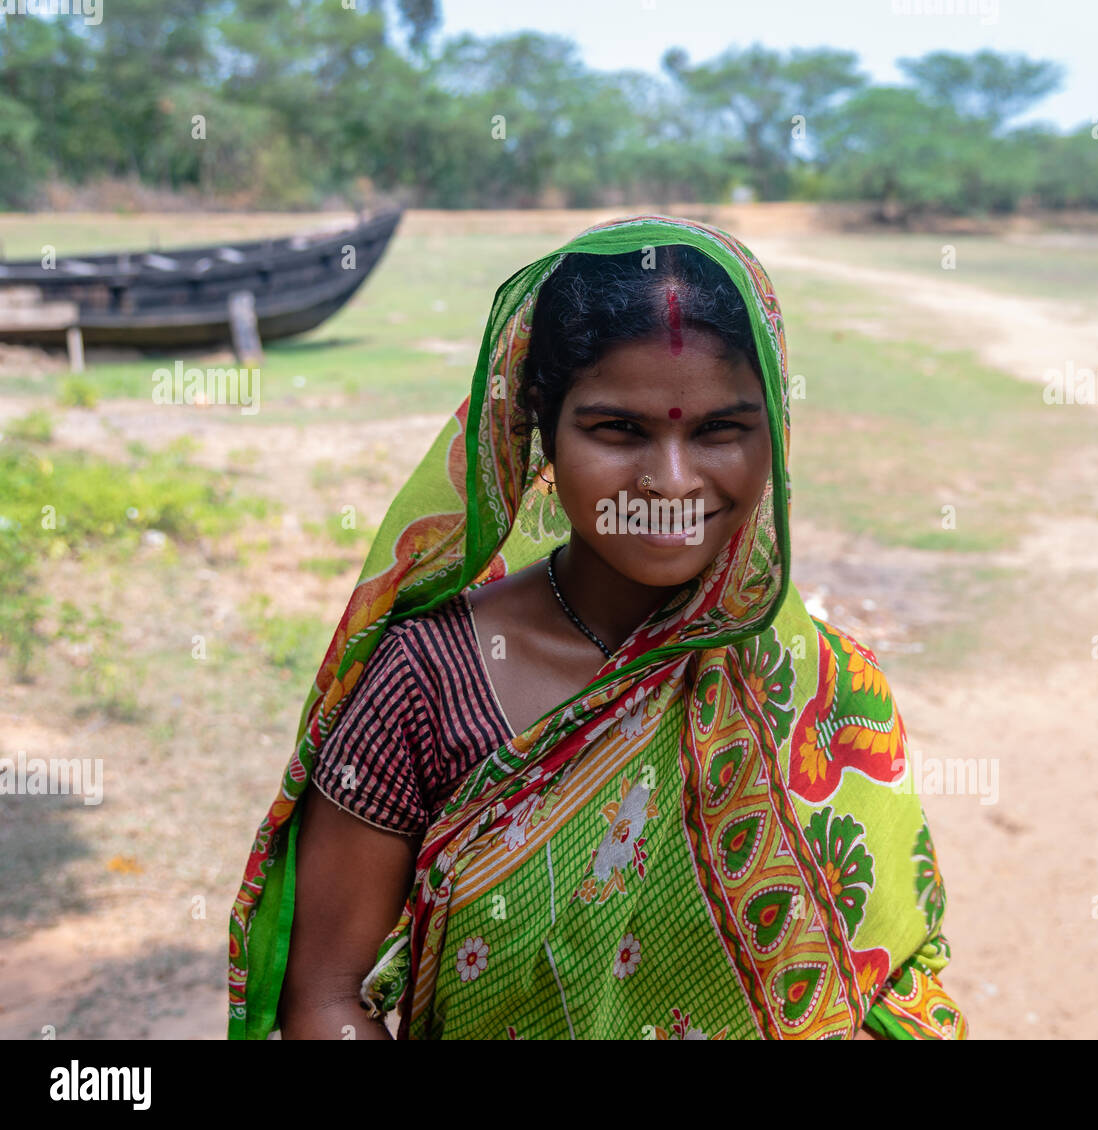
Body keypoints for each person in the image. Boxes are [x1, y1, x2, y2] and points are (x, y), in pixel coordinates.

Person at [228, 214, 968, 1040]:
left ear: (777, 436)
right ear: (540, 426)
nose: (671, 481)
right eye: (619, 430)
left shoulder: (821, 686)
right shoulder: (426, 676)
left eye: (722, 429)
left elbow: (895, 979)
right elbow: (326, 999)